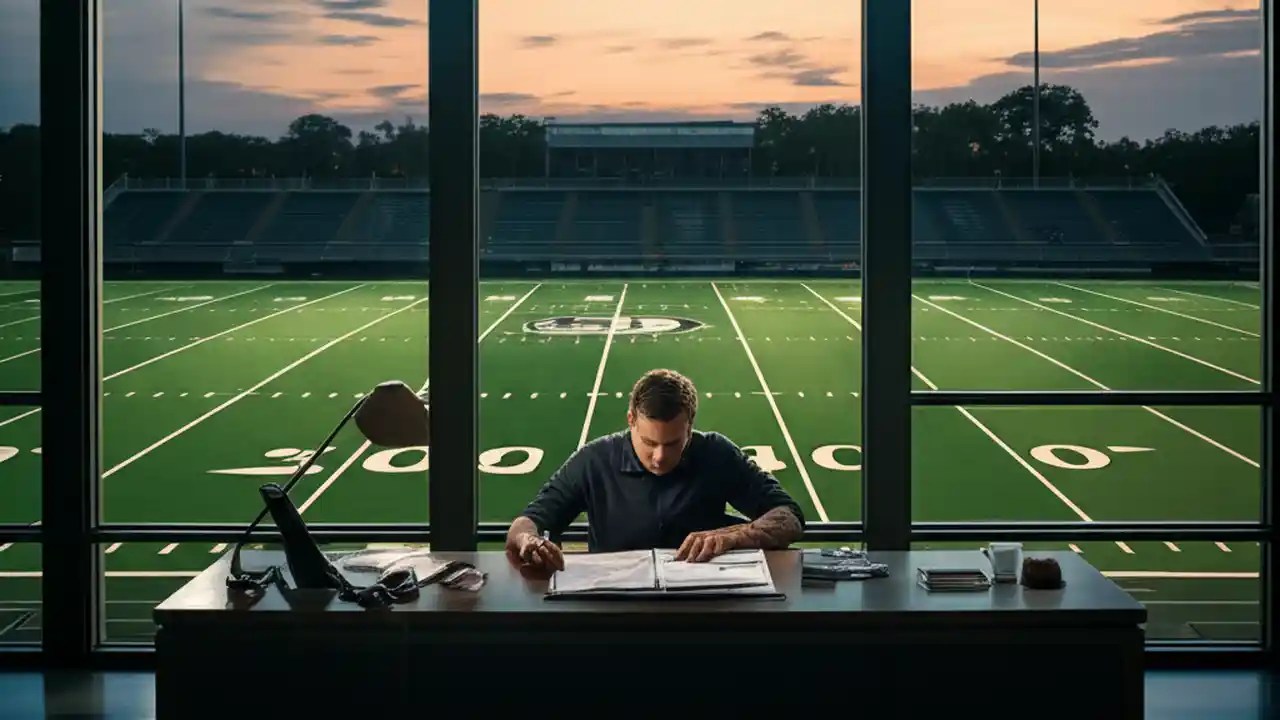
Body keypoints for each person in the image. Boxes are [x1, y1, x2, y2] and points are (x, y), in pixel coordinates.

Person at [505, 368, 805, 572]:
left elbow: (788, 516)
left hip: (700, 607)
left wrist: (731, 537)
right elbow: (528, 521)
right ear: (630, 420)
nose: (659, 457)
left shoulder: (716, 452)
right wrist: (530, 541)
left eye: (674, 443)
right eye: (649, 442)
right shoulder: (594, 459)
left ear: (691, 427)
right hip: (614, 611)